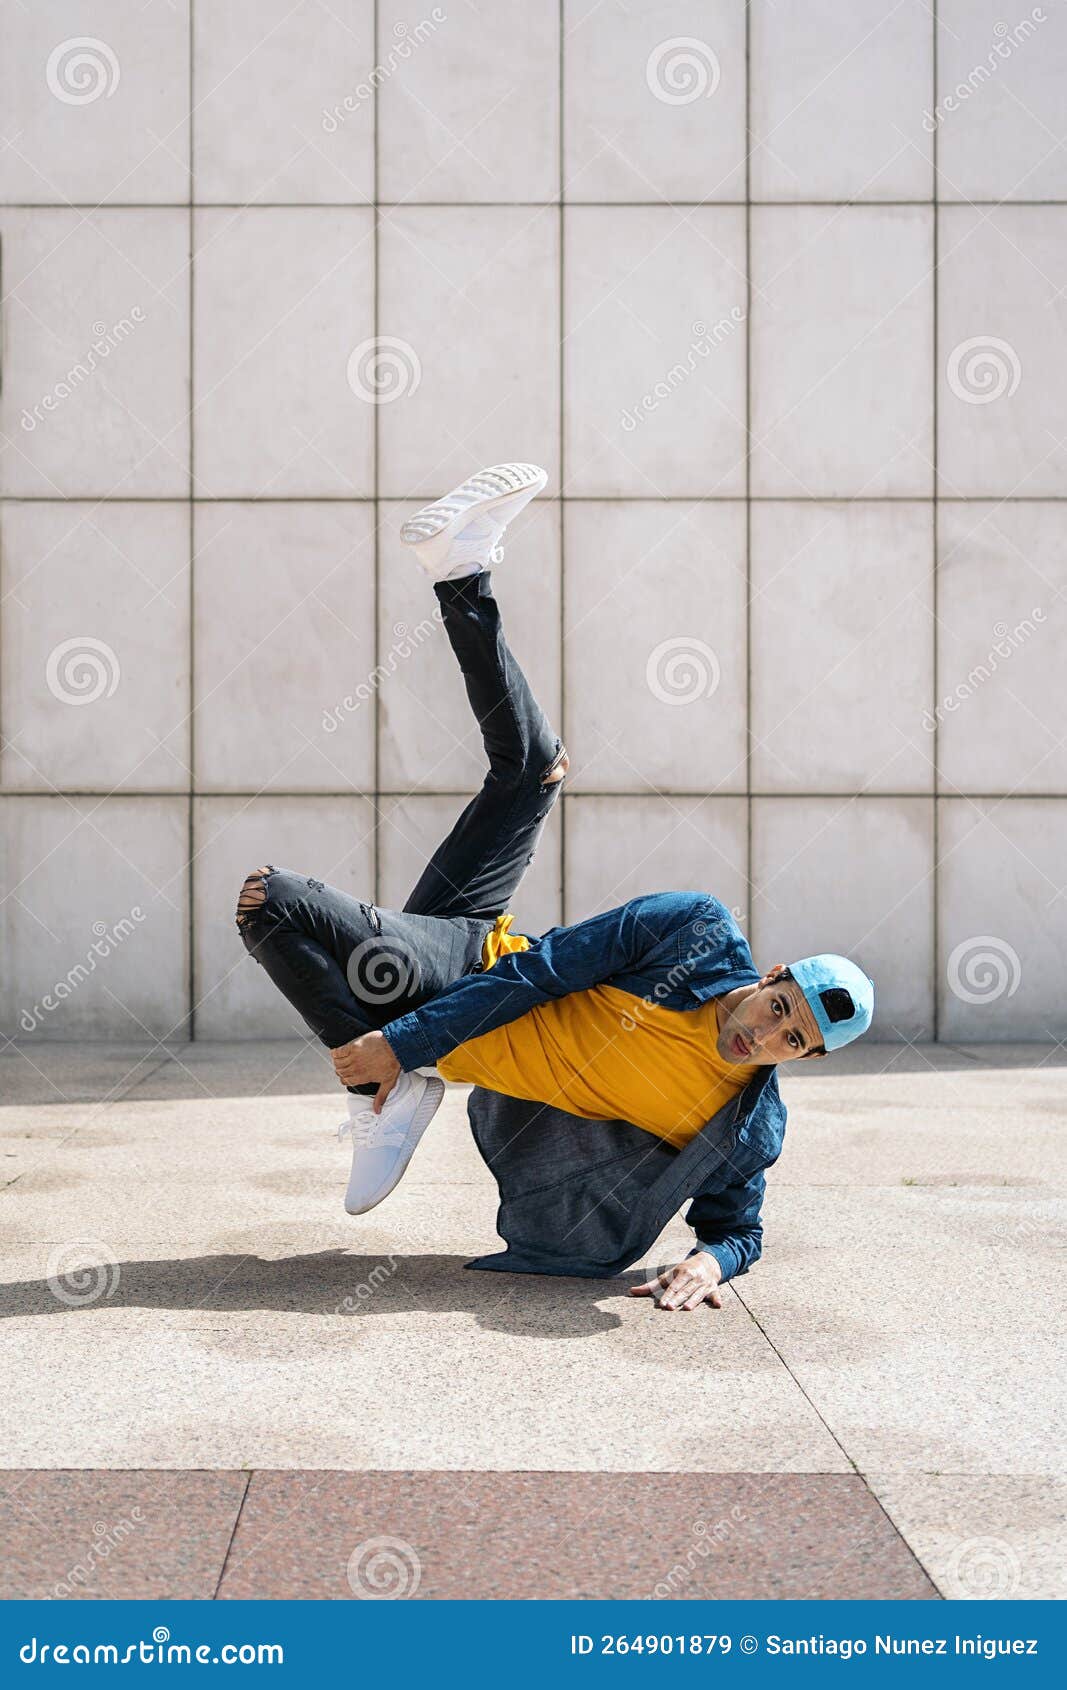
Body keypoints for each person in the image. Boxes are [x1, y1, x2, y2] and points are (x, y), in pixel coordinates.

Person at [236, 462, 874, 1312]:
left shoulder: (746, 1126)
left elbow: (738, 1225)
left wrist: (708, 1264)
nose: (769, 1036)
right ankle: (459, 570)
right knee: (534, 767)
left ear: (803, 1060)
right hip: (468, 969)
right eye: (780, 1009)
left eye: (793, 1043)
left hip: (445, 981)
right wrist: (403, 1046)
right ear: (771, 976)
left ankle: (381, 1083)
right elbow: (537, 974)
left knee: (269, 900)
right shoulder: (694, 932)